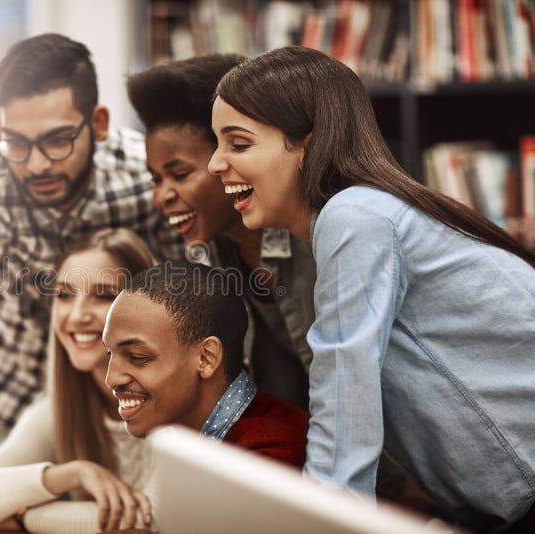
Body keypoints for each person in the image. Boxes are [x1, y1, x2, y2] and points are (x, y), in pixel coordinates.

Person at [208, 45, 535, 531]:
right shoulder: (362, 214)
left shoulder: (354, 217)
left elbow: (343, 391)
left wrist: (319, 521)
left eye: (238, 144)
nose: (216, 164)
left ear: (307, 144)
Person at [0, 33, 183, 449]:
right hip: (8, 404)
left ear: (99, 124)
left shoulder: (148, 174)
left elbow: (192, 288)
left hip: (117, 413)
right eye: (16, 142)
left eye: (57, 140)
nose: (36, 164)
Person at [126, 54, 316, 409]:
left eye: (179, 174)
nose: (161, 196)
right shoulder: (216, 255)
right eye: (156, 179)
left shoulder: (315, 234)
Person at [0, 229, 157, 533]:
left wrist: (23, 517)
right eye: (65, 295)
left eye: (103, 295)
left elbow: (148, 523)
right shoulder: (59, 409)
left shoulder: (170, 407)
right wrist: (73, 474)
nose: (77, 315)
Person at [104, 261, 308, 464]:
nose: (111, 379)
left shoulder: (268, 452)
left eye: (137, 357)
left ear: (206, 358)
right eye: (109, 354)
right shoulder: (186, 442)